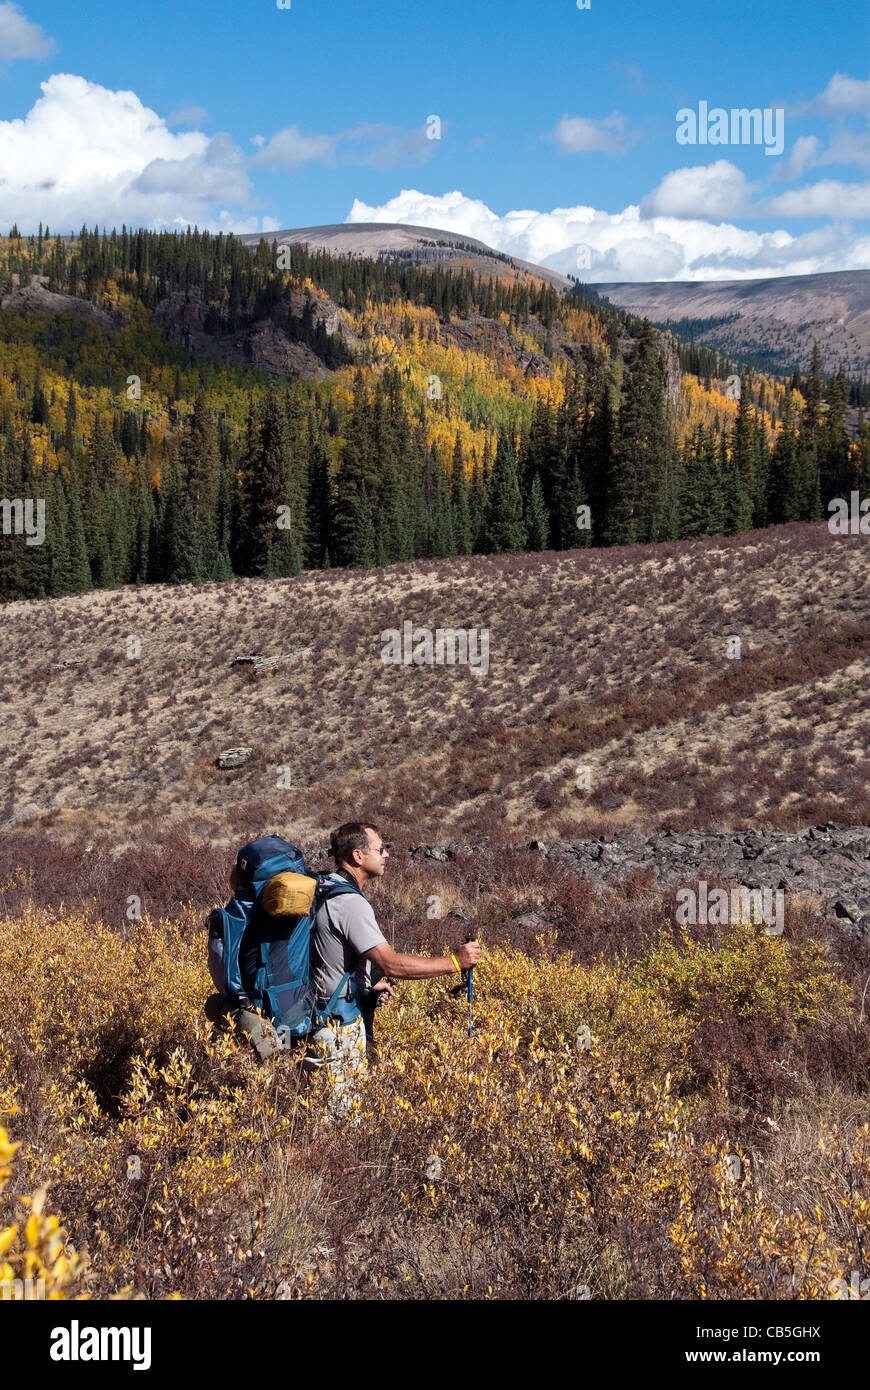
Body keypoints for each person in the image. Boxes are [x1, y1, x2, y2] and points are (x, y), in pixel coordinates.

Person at [304, 821, 481, 1114]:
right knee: (340, 1126)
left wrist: (364, 987)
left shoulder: (322, 888)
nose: (386, 854)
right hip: (337, 1029)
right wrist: (454, 962)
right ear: (358, 856)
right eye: (380, 848)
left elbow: (324, 954)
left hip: (310, 1017)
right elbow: (392, 964)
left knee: (314, 1116)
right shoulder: (350, 903)